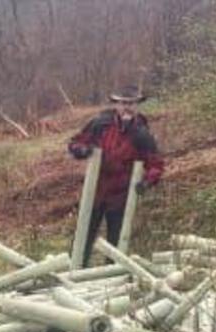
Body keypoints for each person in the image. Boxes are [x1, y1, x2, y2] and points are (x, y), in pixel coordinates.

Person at [68, 86, 165, 264]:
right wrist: (82, 150)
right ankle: (74, 271)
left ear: (137, 106)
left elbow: (155, 164)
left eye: (131, 104)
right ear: (116, 105)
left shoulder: (142, 134)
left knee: (116, 241)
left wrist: (146, 182)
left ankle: (111, 276)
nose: (127, 108)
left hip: (121, 195)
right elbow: (76, 142)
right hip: (95, 190)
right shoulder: (100, 124)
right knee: (83, 236)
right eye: (123, 103)